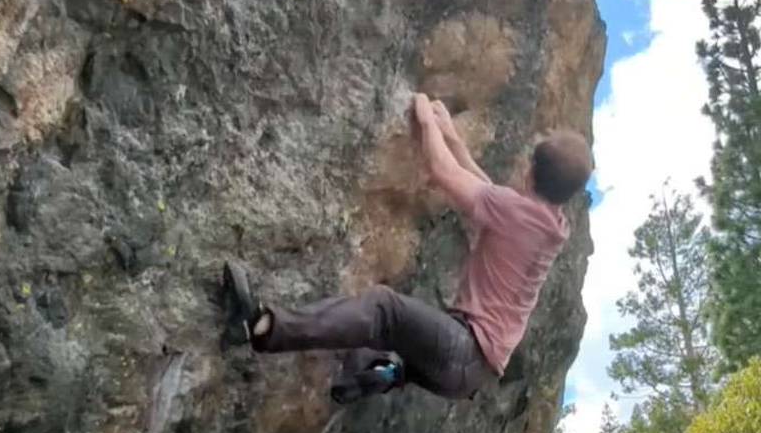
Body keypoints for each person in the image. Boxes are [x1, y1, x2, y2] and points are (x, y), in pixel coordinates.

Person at [220, 94, 592, 401]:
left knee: (383, 309)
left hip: (459, 349)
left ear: (529, 172)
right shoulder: (549, 225)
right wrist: (453, 138)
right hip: (469, 375)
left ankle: (261, 327)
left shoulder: (513, 211)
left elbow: (445, 173)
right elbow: (489, 192)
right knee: (382, 334)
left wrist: (428, 122)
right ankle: (379, 374)